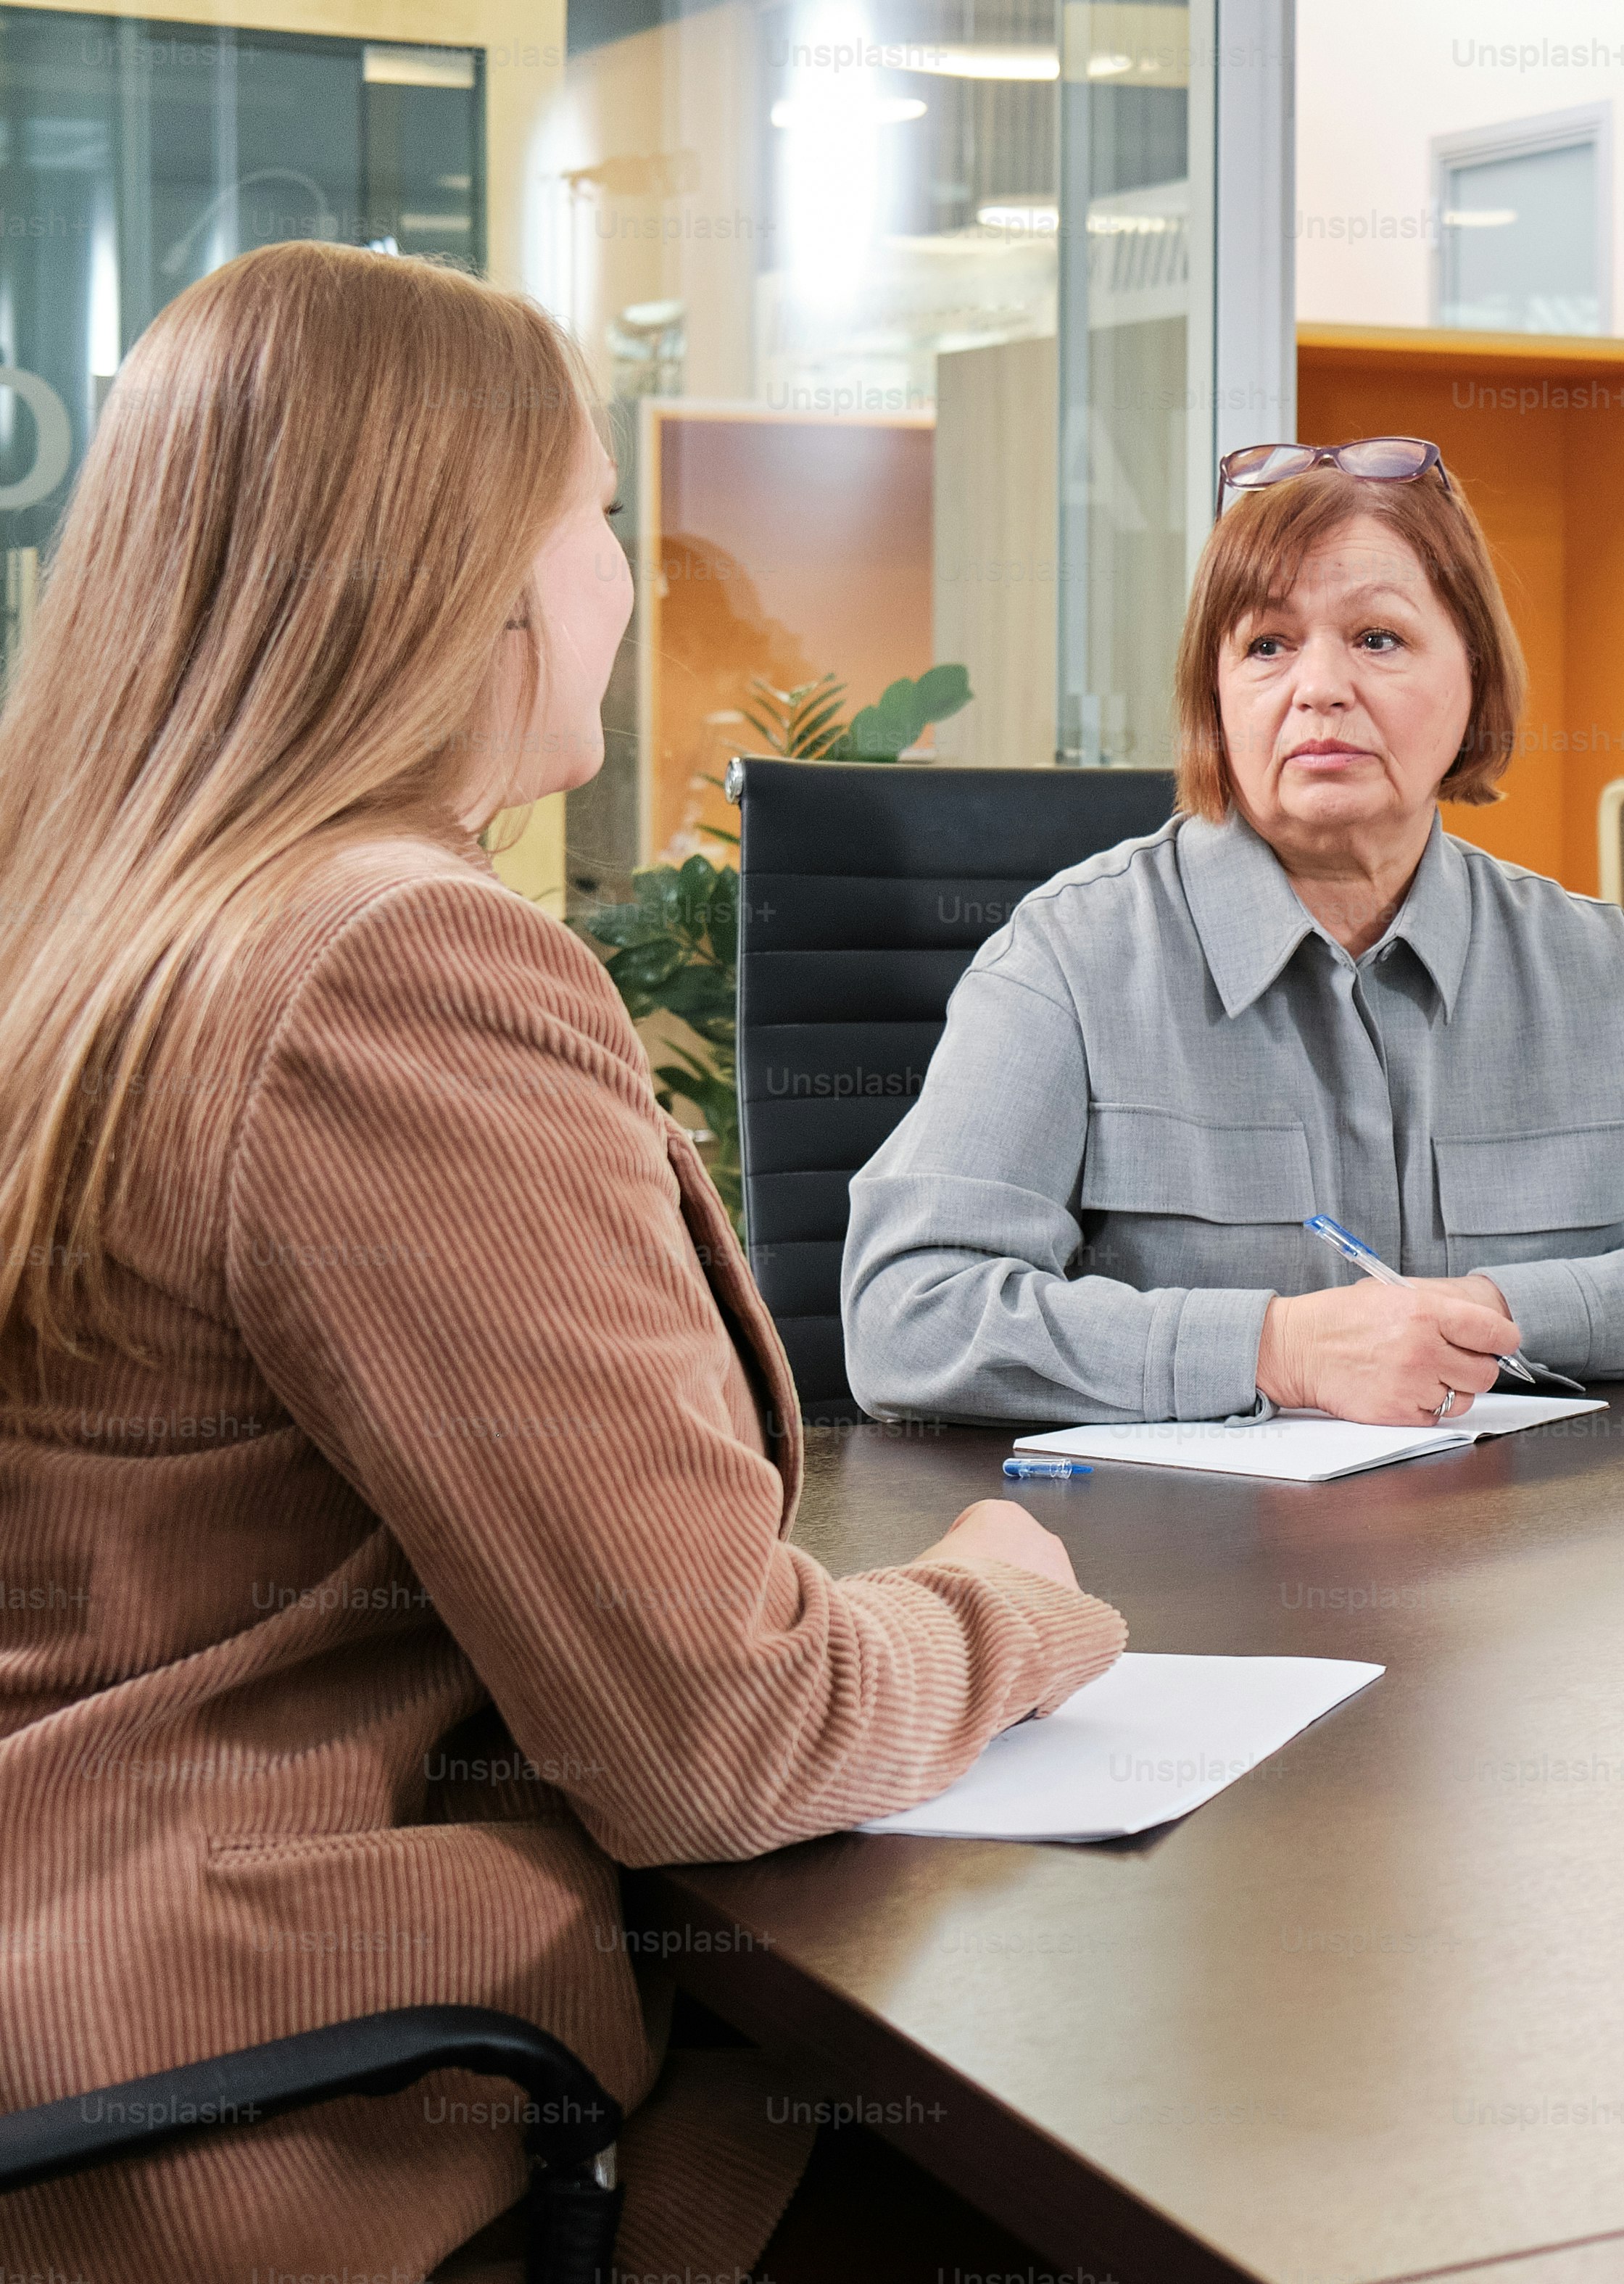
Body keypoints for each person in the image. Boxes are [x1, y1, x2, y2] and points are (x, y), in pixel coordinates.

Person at [0, 245, 1124, 2277]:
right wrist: (1004, 1607)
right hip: (281, 2106)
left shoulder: (89, 925)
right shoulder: (383, 959)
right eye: (600, 513)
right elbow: (723, 1734)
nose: (623, 572)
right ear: (467, 578)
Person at [841, 442, 1624, 1428]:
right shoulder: (1069, 965)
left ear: (1474, 683)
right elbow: (908, 1317)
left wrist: (1498, 1316)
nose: (1320, 688)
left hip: (1532, 1568)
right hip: (1186, 1582)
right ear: (1217, 698)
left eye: (1378, 639)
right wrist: (1275, 1350)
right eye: (1267, 646)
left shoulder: (1592, 969)